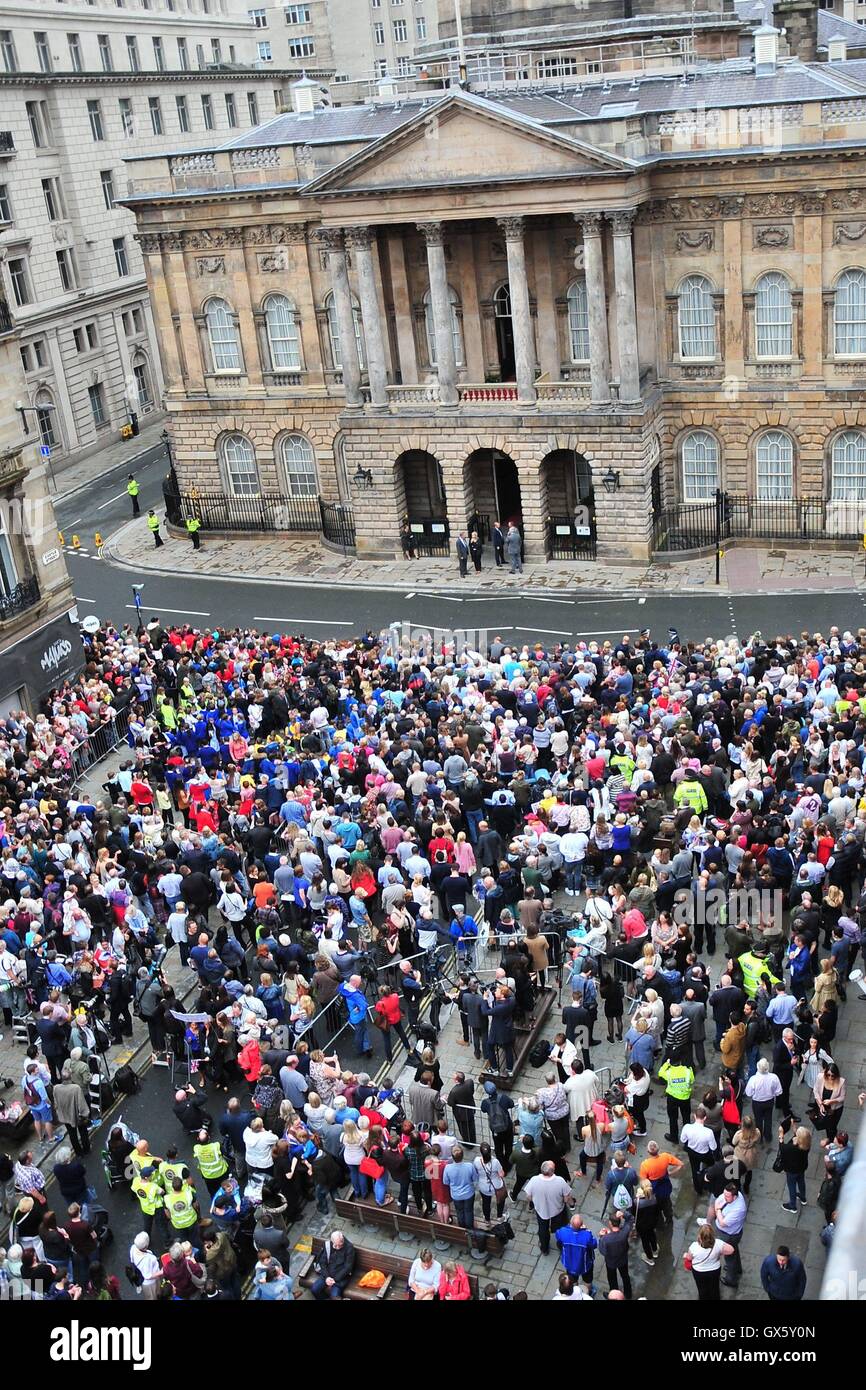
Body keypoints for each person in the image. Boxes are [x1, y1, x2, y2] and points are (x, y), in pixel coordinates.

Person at [522, 1161, 575, 1254]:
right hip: (557, 1211)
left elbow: (528, 1196)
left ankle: (544, 1248)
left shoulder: (534, 1180)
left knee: (543, 1229)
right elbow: (567, 1199)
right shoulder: (560, 1181)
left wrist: (535, 1201)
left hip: (541, 1211)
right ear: (552, 1171)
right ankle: (561, 1245)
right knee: (560, 1229)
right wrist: (571, 1204)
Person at [686, 1224, 734, 1301]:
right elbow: (731, 1250)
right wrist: (720, 1253)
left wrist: (685, 1255)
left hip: (699, 1271)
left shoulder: (694, 1246)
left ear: (700, 1237)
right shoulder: (718, 1243)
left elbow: (689, 1258)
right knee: (714, 1287)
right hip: (714, 1270)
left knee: (702, 1288)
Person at [310, 1230, 356, 1300]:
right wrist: (327, 1277)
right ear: (332, 1241)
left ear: (342, 1239)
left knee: (335, 1296)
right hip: (327, 1274)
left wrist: (335, 1279)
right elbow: (323, 1262)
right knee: (314, 1289)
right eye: (335, 1245)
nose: (337, 1247)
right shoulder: (328, 1245)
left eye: (340, 1245)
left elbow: (348, 1267)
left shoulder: (349, 1248)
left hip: (340, 1278)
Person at [555, 1212, 597, 1287]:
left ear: (570, 1223)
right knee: (587, 1281)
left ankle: (575, 1291)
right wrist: (586, 1230)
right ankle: (587, 1293)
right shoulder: (587, 1235)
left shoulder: (563, 1232)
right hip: (585, 1265)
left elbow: (557, 1235)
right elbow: (594, 1244)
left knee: (573, 1281)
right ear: (581, 1225)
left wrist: (568, 1227)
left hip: (570, 1264)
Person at [746, 1058, 783, 1143]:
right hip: (769, 1102)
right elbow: (779, 1092)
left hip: (757, 1103)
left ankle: (759, 1138)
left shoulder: (753, 1079)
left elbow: (748, 1093)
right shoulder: (774, 1077)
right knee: (768, 1119)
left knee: (758, 1120)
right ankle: (768, 1136)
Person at [598, 1210, 633, 1299]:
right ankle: (628, 1294)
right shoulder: (624, 1232)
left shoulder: (606, 1239)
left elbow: (602, 1251)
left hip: (611, 1263)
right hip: (623, 1259)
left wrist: (601, 1237)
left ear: (610, 1223)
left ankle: (613, 1295)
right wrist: (624, 1213)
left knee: (612, 1279)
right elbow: (630, 1219)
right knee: (625, 1276)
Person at [779, 1125, 811, 1213]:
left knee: (791, 1186)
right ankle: (803, 1198)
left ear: (799, 1139)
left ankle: (792, 1206)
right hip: (802, 1167)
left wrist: (781, 1136)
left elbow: (782, 1148)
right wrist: (795, 1131)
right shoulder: (807, 1144)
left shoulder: (791, 1148)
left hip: (791, 1170)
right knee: (801, 1181)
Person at [128, 1232, 162, 1300]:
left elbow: (132, 1261)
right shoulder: (147, 1259)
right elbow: (148, 1276)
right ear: (146, 1246)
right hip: (150, 1283)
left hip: (142, 1278)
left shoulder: (133, 1247)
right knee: (152, 1297)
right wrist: (162, 1272)